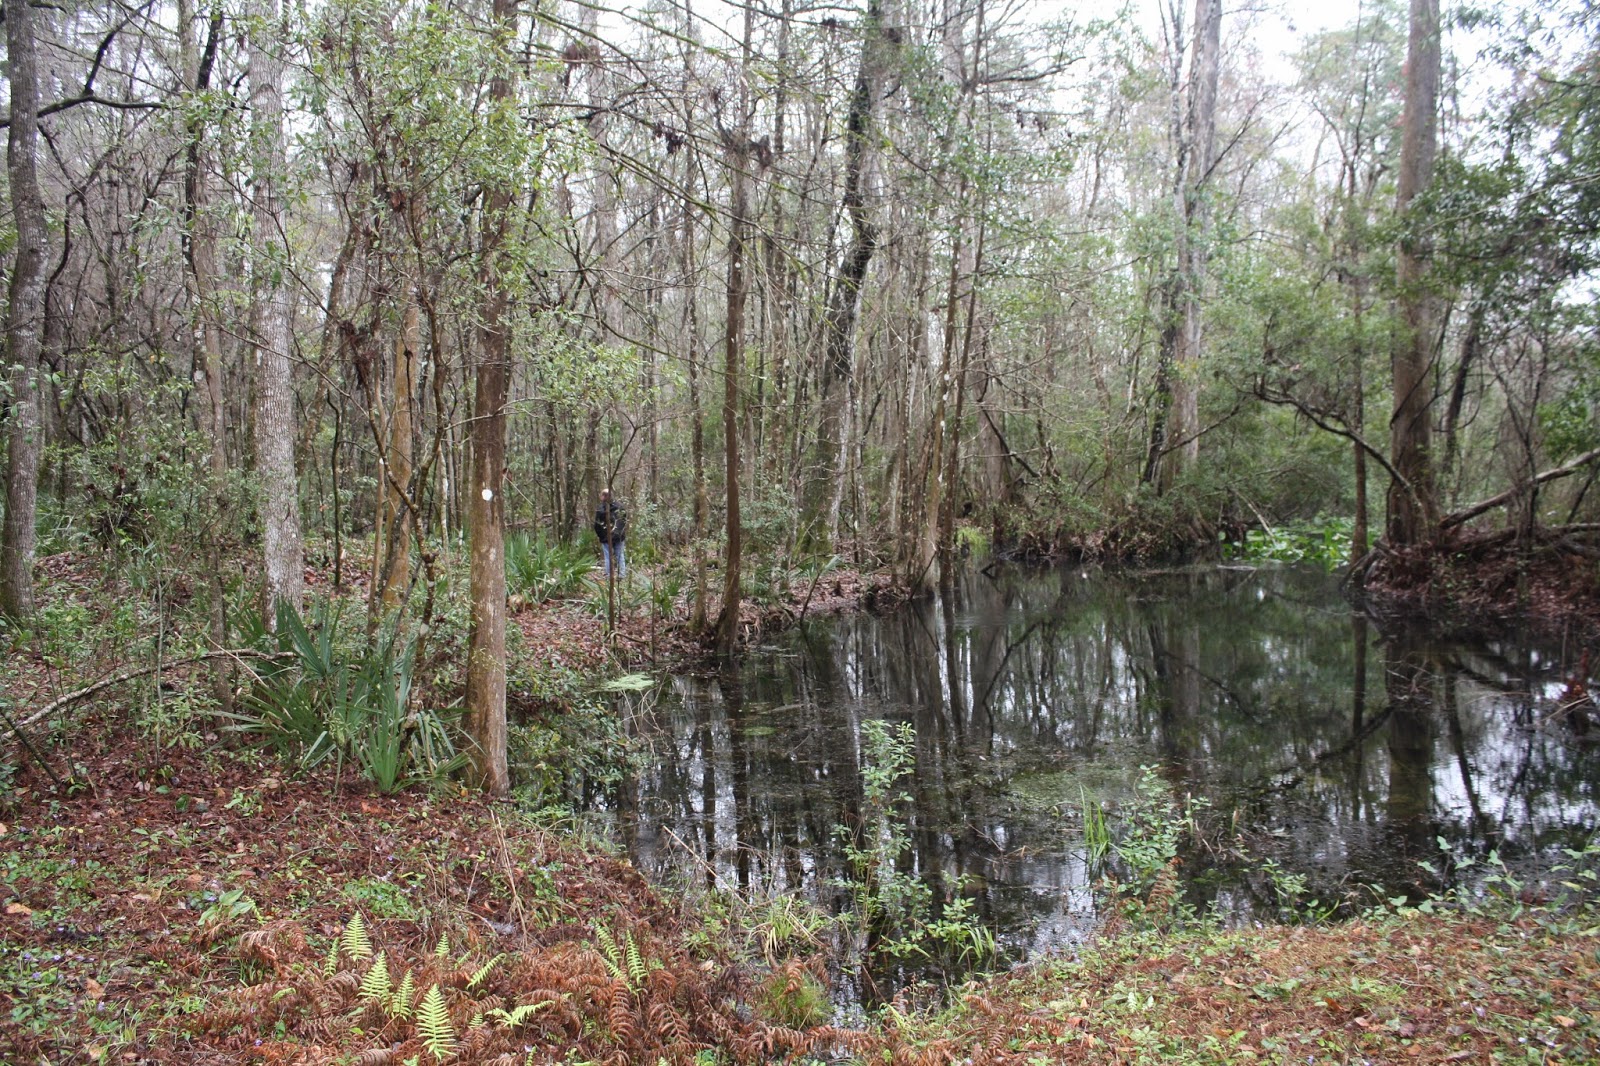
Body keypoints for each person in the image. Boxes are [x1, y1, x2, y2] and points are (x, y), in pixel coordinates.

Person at [593, 488, 627, 578]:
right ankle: (621, 575)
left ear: (603, 497)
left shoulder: (600, 509)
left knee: (609, 556)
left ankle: (609, 575)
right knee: (620, 555)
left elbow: (597, 525)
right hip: (616, 536)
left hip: (608, 537)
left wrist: (601, 536)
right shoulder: (620, 506)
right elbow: (624, 522)